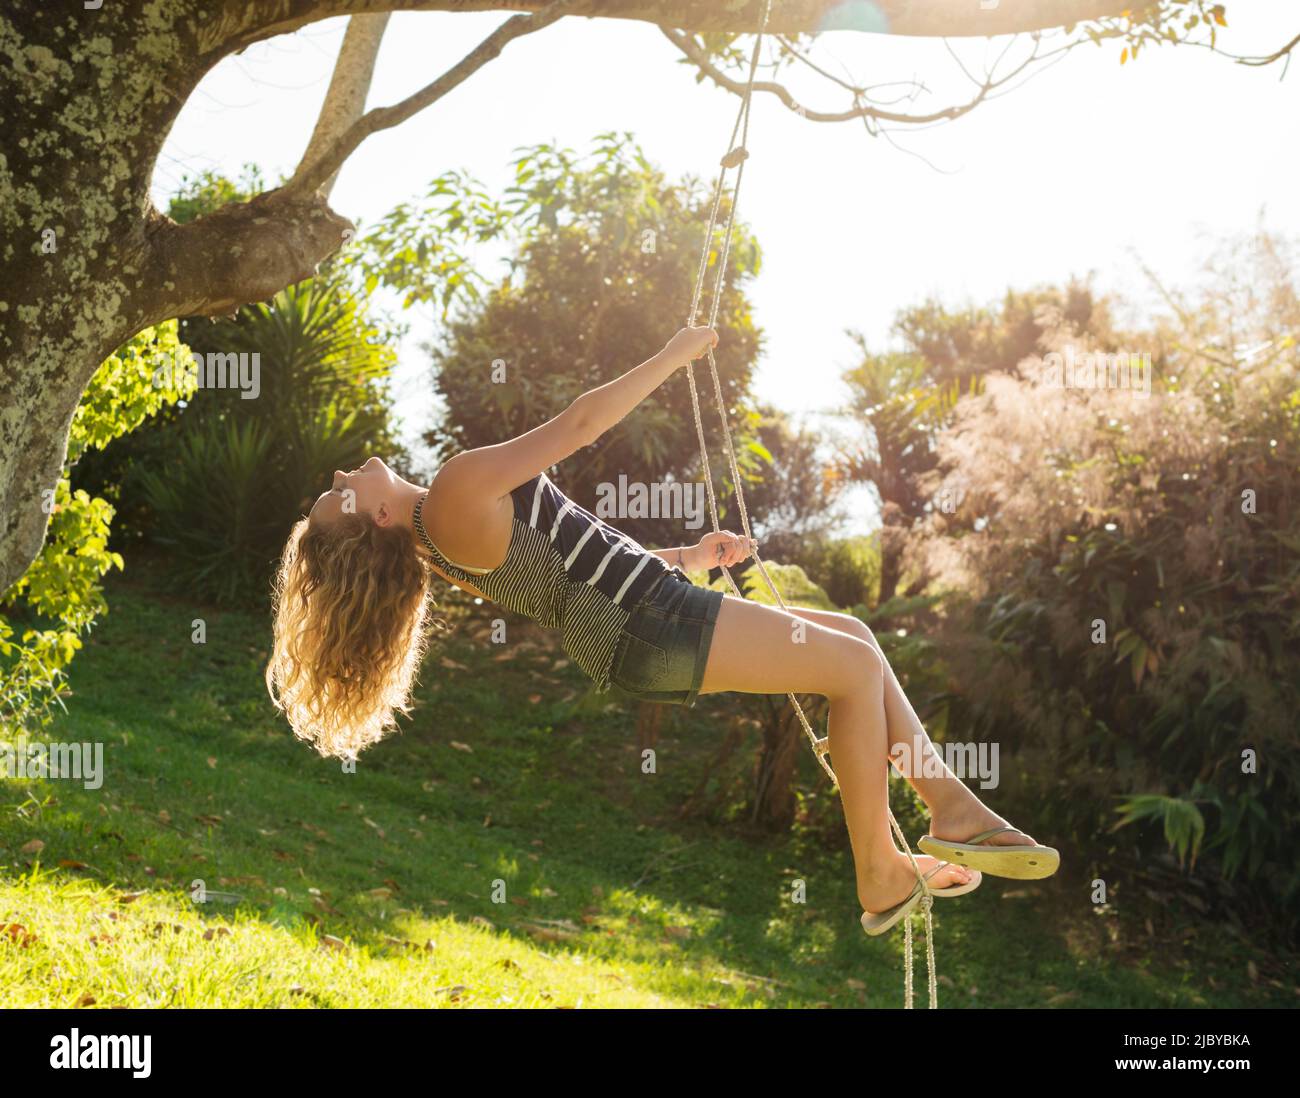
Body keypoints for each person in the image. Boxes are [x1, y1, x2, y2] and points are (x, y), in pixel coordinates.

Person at [266, 325, 1058, 934]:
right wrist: (673, 356)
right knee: (848, 671)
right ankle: (882, 871)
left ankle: (947, 803)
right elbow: (580, 423)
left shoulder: (445, 537)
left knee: (854, 639)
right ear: (372, 518)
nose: (339, 477)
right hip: (646, 625)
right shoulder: (449, 493)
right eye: (336, 499)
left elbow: (574, 562)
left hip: (641, 620)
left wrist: (688, 556)